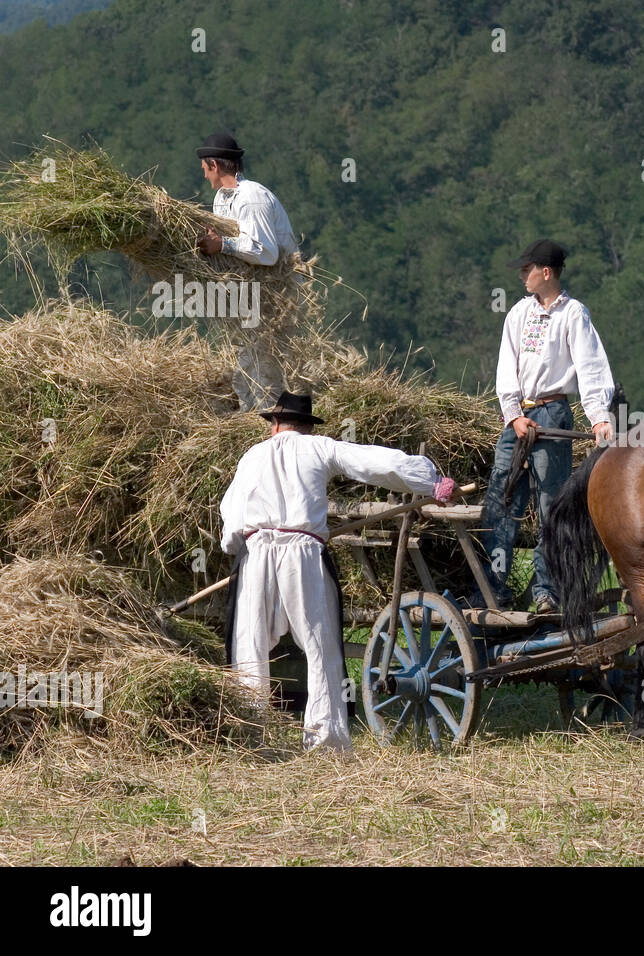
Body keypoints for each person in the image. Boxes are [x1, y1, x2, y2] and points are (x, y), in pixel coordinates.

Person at [220, 390, 456, 752]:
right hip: (301, 553)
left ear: (275, 425)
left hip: (256, 553)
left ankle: (250, 735)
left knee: (249, 646)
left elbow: (231, 509)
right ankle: (325, 738)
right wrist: (428, 482)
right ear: (306, 425)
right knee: (321, 646)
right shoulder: (319, 447)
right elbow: (372, 462)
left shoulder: (251, 456)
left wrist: (235, 545)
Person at [480, 239, 615, 613]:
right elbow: (506, 368)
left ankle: (547, 591)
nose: (522, 275)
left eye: (527, 269)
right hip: (517, 417)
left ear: (546, 272)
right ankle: (494, 588)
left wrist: (599, 417)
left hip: (553, 413)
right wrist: (512, 414)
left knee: (551, 504)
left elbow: (590, 367)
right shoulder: (518, 314)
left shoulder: (574, 314)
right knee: (501, 500)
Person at [194, 131, 300, 411]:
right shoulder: (222, 199)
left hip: (273, 293)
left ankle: (268, 423)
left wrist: (223, 245)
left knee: (265, 366)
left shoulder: (251, 198)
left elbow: (266, 253)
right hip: (249, 292)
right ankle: (251, 420)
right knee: (244, 366)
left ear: (215, 166)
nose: (204, 175)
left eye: (205, 169)